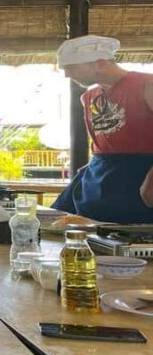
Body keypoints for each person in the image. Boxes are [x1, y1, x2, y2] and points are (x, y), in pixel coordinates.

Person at [53, 35, 153, 224]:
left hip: (141, 171)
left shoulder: (147, 85)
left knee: (133, 236)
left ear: (100, 63)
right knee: (59, 224)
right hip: (100, 173)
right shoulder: (89, 97)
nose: (67, 75)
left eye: (71, 67)